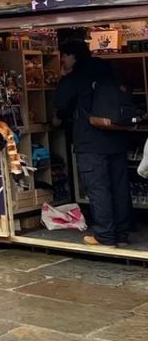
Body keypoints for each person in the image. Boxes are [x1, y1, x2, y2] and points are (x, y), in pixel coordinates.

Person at [54, 39, 132, 246]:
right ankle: (122, 233)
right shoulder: (108, 71)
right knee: (119, 187)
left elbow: (61, 103)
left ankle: (105, 235)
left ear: (73, 56)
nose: (62, 60)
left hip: (90, 140)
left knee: (98, 188)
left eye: (64, 55)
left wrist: (63, 78)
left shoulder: (77, 76)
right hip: (117, 138)